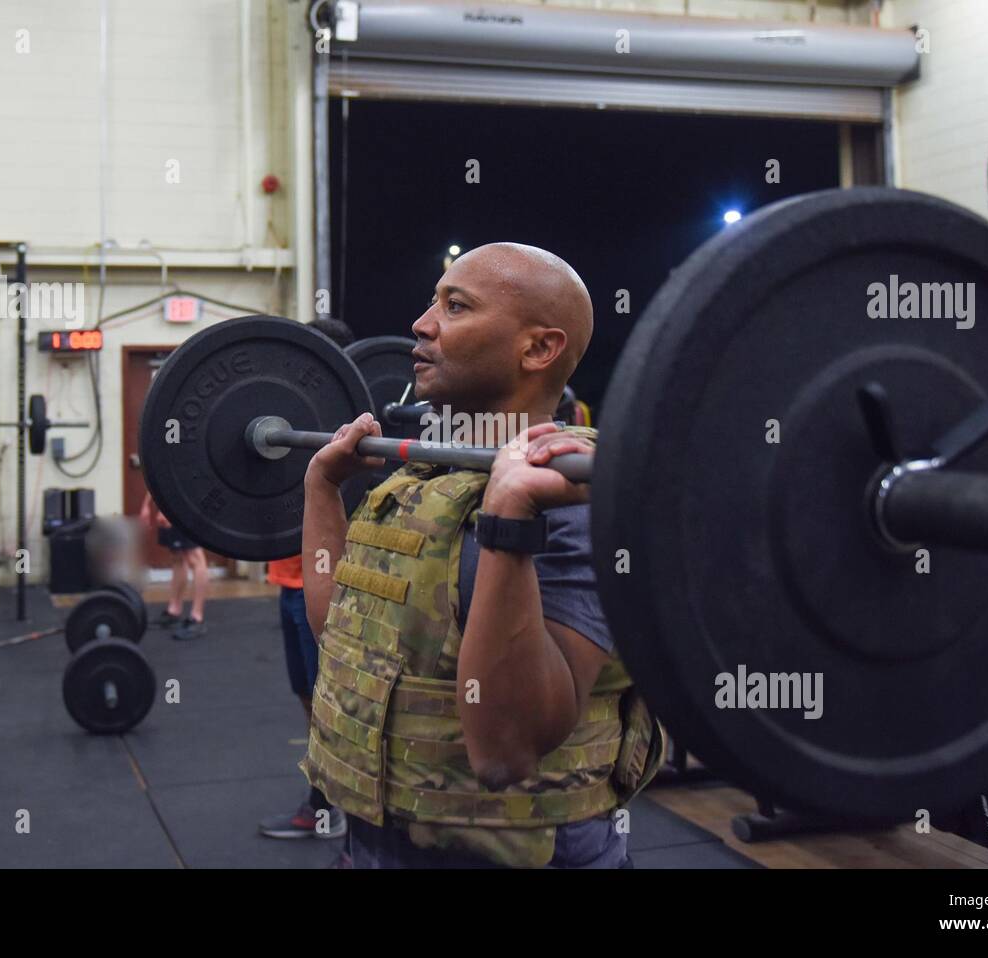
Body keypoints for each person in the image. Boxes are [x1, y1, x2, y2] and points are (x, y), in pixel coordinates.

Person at [298, 244, 663, 869]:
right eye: (432, 302)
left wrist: (509, 518)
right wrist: (321, 488)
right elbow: (341, 634)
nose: (421, 324)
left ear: (538, 349)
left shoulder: (571, 503)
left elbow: (505, 752)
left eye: (456, 306)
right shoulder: (420, 480)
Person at [259, 316, 355, 850]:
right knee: (306, 694)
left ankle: (340, 815)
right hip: (287, 577)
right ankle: (326, 798)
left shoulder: (346, 430)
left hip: (323, 586)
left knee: (332, 699)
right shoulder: (288, 416)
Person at [138, 491, 207, 640]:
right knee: (177, 555)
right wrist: (146, 503)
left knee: (194, 556)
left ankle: (197, 617)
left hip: (188, 503)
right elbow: (159, 478)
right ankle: (174, 611)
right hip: (170, 503)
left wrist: (167, 510)